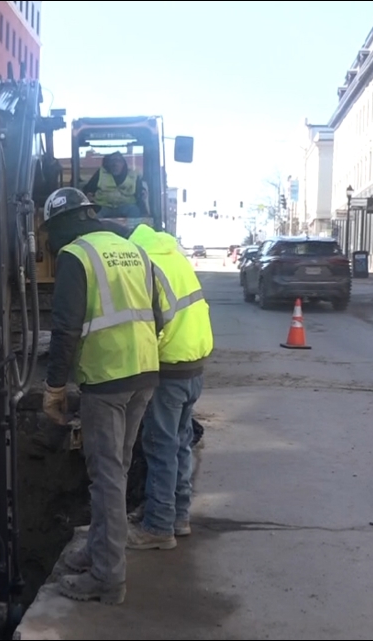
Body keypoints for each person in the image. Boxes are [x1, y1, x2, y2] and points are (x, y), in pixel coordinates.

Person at [40, 187, 164, 605]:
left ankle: (107, 578)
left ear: (62, 224)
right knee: (118, 469)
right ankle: (99, 550)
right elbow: (159, 313)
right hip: (145, 373)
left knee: (106, 478)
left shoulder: (76, 256)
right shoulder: (132, 250)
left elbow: (65, 330)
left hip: (108, 381)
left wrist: (55, 387)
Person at [124, 223, 214, 550]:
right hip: (194, 364)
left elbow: (148, 323)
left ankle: (159, 527)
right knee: (180, 443)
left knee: (160, 446)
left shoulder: (144, 264)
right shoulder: (174, 256)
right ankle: (178, 517)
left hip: (170, 367)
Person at [82, 151, 148, 220]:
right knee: (94, 215)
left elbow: (140, 196)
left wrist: (145, 212)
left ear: (123, 164)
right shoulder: (100, 174)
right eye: (112, 161)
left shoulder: (133, 175)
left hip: (126, 206)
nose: (115, 164)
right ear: (108, 164)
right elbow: (88, 190)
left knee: (134, 211)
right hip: (103, 207)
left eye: (118, 161)